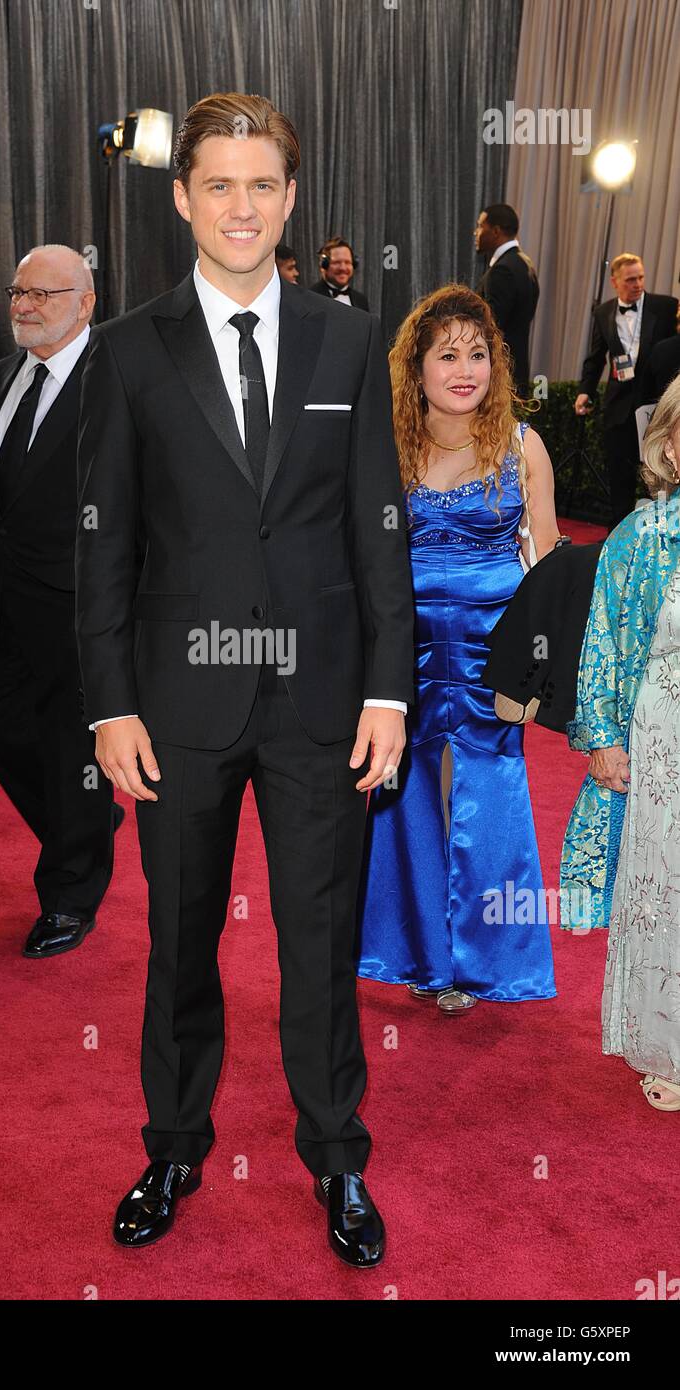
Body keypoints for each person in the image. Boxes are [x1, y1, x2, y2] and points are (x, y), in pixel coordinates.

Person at [76, 92, 413, 1267]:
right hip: (180, 704)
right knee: (179, 938)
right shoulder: (124, 351)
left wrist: (390, 688)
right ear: (182, 198)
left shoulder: (348, 338)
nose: (240, 206)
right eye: (217, 183)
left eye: (261, 184)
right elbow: (103, 543)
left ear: (288, 196)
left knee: (319, 941)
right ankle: (173, 1143)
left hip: (323, 700)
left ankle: (338, 1160)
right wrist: (111, 703)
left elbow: (379, 528)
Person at [358, 284, 559, 1012]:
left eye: (478, 354)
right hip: (402, 654)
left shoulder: (521, 445)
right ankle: (422, 954)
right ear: (417, 368)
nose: (465, 369)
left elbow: (548, 564)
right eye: (448, 355)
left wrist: (540, 669)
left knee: (488, 798)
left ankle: (489, 959)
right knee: (404, 793)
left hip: (491, 657)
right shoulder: (384, 443)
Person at [0, 244, 118, 960]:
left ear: (86, 303)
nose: (23, 305)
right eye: (17, 292)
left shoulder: (119, 382)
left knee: (76, 749)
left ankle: (71, 894)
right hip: (0, 595)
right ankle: (89, 828)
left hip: (83, 604)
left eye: (44, 294)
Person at [560, 375, 680, 1111]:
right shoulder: (642, 538)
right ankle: (670, 1042)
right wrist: (602, 738)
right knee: (665, 890)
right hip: (663, 734)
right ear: (669, 445)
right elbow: (601, 641)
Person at [574, 253, 677, 529]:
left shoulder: (666, 307)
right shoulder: (603, 312)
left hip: (656, 408)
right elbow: (595, 359)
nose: (637, 284)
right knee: (619, 476)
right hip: (617, 407)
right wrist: (585, 391)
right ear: (615, 282)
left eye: (641, 277)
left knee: (657, 474)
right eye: (631, 279)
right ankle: (618, 536)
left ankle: (656, 534)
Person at [474, 204, 539, 395]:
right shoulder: (524, 264)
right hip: (516, 371)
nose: (476, 232)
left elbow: (491, 326)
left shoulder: (503, 270)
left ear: (496, 231)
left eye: (480, 226)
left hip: (501, 374)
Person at [309, 236, 369, 309]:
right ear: (324, 265)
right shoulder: (311, 297)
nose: (343, 268)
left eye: (347, 262)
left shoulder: (361, 300)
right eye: (336, 262)